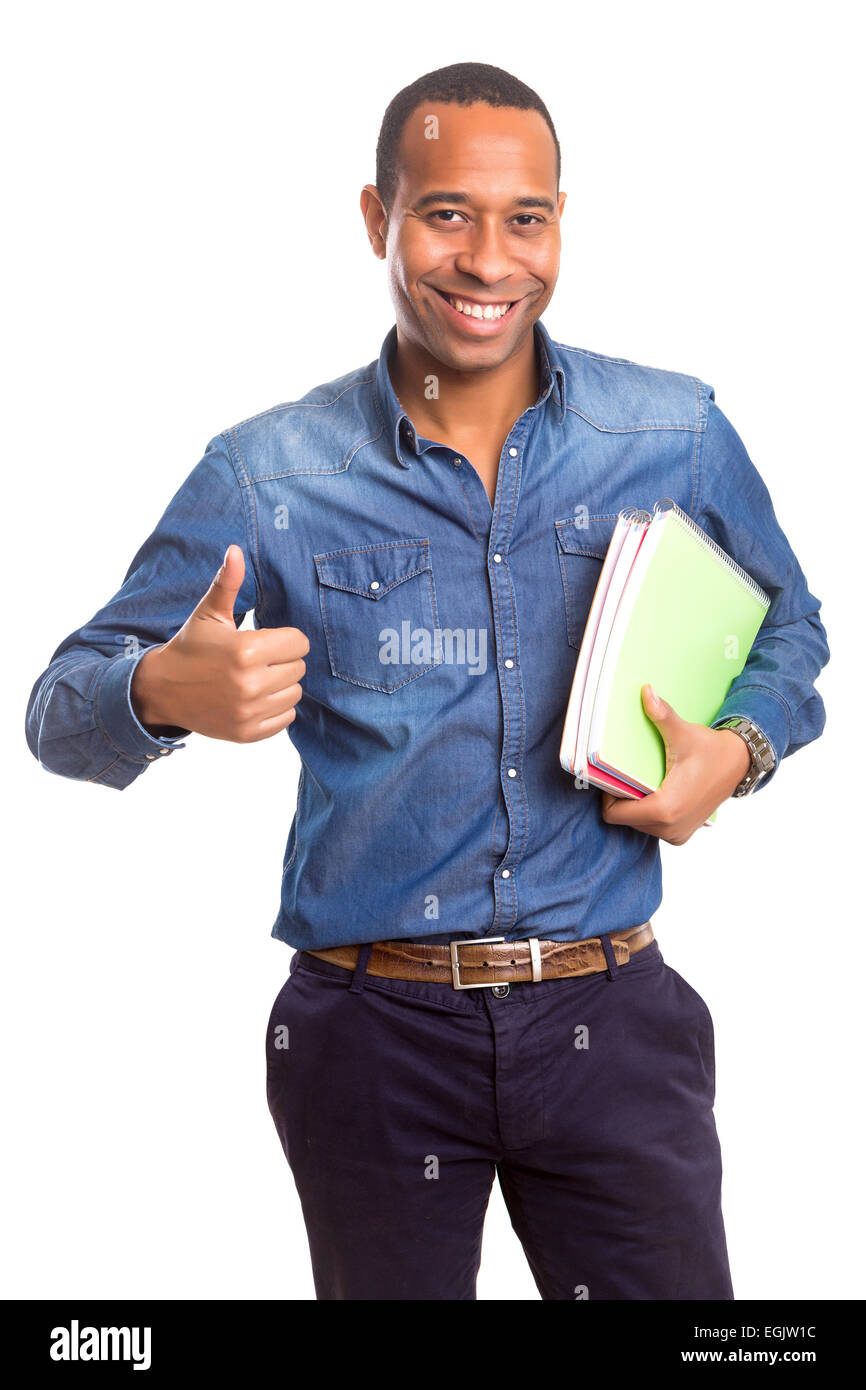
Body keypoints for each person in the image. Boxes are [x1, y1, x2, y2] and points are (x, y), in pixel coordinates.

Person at [25, 61, 829, 1301]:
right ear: (376, 219)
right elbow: (56, 708)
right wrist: (159, 694)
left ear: (562, 220)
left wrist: (743, 745)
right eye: (446, 213)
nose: (488, 260)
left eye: (525, 218)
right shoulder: (268, 473)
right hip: (370, 1040)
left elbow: (793, 626)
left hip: (609, 1019)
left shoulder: (669, 431)